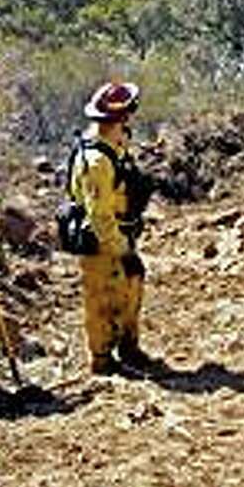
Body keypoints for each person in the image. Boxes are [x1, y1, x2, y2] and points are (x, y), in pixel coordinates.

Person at [68, 80, 158, 377]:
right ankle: (103, 360)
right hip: (102, 240)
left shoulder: (114, 145)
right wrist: (120, 248)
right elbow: (100, 216)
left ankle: (129, 349)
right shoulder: (96, 161)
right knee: (102, 300)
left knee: (130, 288)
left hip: (121, 232)